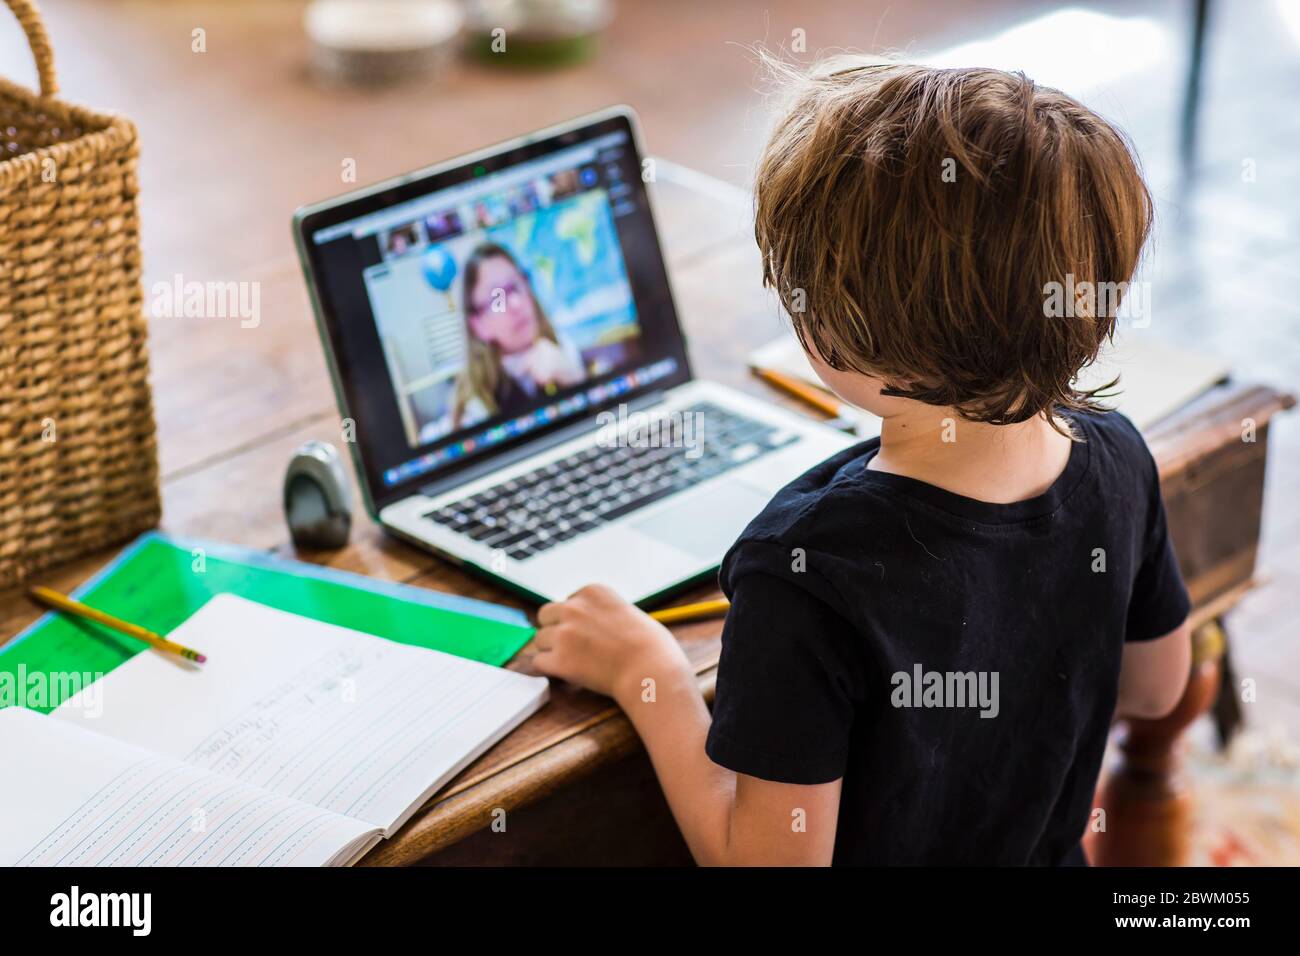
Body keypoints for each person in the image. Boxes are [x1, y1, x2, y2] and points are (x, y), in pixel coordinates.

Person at [529, 62, 1193, 866]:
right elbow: (1156, 688)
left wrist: (652, 676)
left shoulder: (805, 571)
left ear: (833, 335)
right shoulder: (1117, 452)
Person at [449, 242, 585, 430]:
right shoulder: (474, 408)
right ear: (478, 325)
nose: (515, 303)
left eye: (515, 286)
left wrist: (578, 380)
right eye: (497, 299)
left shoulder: (564, 348)